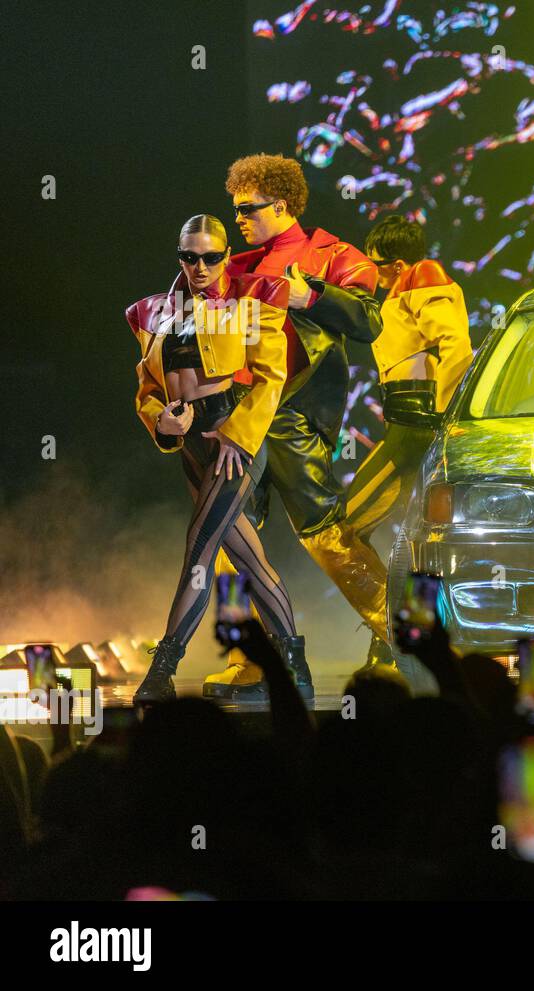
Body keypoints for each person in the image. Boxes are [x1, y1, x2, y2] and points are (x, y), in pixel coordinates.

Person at [202, 154, 390, 700]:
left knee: (326, 534)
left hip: (293, 413)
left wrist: (312, 295)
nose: (237, 217)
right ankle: (253, 660)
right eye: (235, 207)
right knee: (227, 537)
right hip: (242, 413)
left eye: (247, 208)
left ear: (280, 205)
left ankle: (404, 641)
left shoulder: (331, 256)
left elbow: (368, 321)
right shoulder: (233, 265)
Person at [127, 215, 304, 703]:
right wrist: (160, 421)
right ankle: (296, 668)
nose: (200, 266)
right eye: (190, 257)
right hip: (192, 443)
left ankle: (160, 674)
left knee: (199, 550)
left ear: (226, 255)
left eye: (210, 257)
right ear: (179, 256)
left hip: (232, 435)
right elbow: (145, 389)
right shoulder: (149, 312)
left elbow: (271, 376)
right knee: (248, 560)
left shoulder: (254, 296)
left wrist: (239, 434)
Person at [343, 215, 472, 570]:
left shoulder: (422, 274)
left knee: (345, 528)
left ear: (398, 264)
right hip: (408, 421)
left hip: (417, 424)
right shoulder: (403, 289)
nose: (374, 274)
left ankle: (385, 621)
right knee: (419, 536)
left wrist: (444, 415)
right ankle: (402, 623)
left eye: (378, 265)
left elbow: (456, 344)